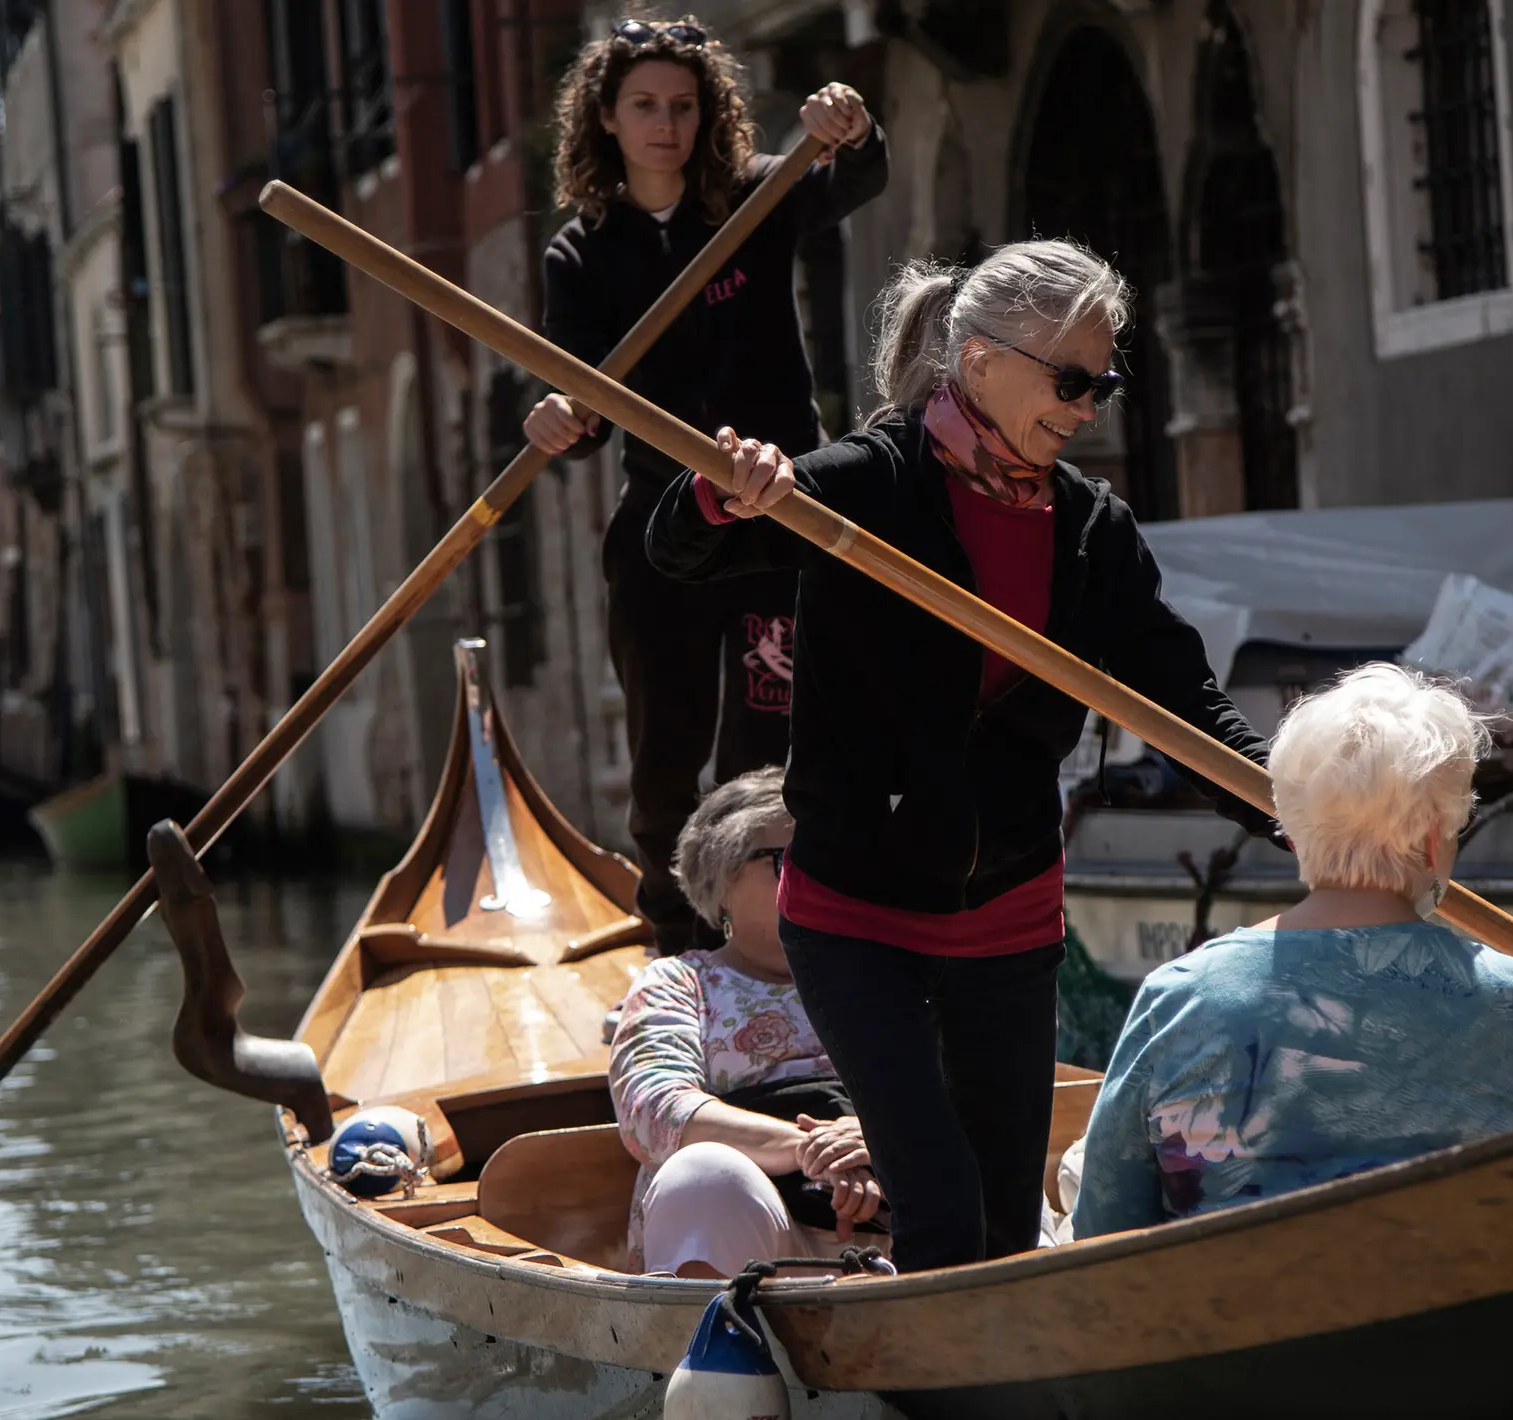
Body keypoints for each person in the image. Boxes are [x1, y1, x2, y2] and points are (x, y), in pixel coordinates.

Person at [646, 241, 1279, 1272]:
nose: (1086, 407)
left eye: (1103, 383)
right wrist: (724, 487)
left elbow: (1183, 698)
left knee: (997, 1219)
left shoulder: (1090, 530)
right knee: (934, 1200)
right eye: (1069, 380)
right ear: (979, 365)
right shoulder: (861, 487)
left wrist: (1292, 803)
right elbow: (682, 552)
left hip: (1010, 911)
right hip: (856, 912)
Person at [525, 15, 887, 954]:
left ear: (708, 113)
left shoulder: (756, 200)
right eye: (644, 105)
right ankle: (678, 956)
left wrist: (848, 122)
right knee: (664, 765)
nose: (666, 124)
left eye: (683, 106)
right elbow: (576, 397)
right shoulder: (581, 252)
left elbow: (859, 178)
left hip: (775, 519)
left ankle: (781, 949)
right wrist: (555, 417)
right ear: (606, 117)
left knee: (765, 757)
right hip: (659, 534)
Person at [1071, 664, 1513, 1241]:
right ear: (1434, 841)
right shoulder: (1509, 994)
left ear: (1295, 832)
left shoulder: (1181, 995)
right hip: (1447, 1308)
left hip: (1227, 1314)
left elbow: (1104, 1226)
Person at [607, 767, 885, 1277]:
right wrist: (812, 1149)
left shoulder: (887, 975)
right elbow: (655, 1110)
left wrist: (880, 1139)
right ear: (723, 879)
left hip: (898, 1233)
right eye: (789, 859)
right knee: (703, 1176)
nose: (819, 874)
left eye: (829, 856)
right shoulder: (679, 983)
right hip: (761, 1243)